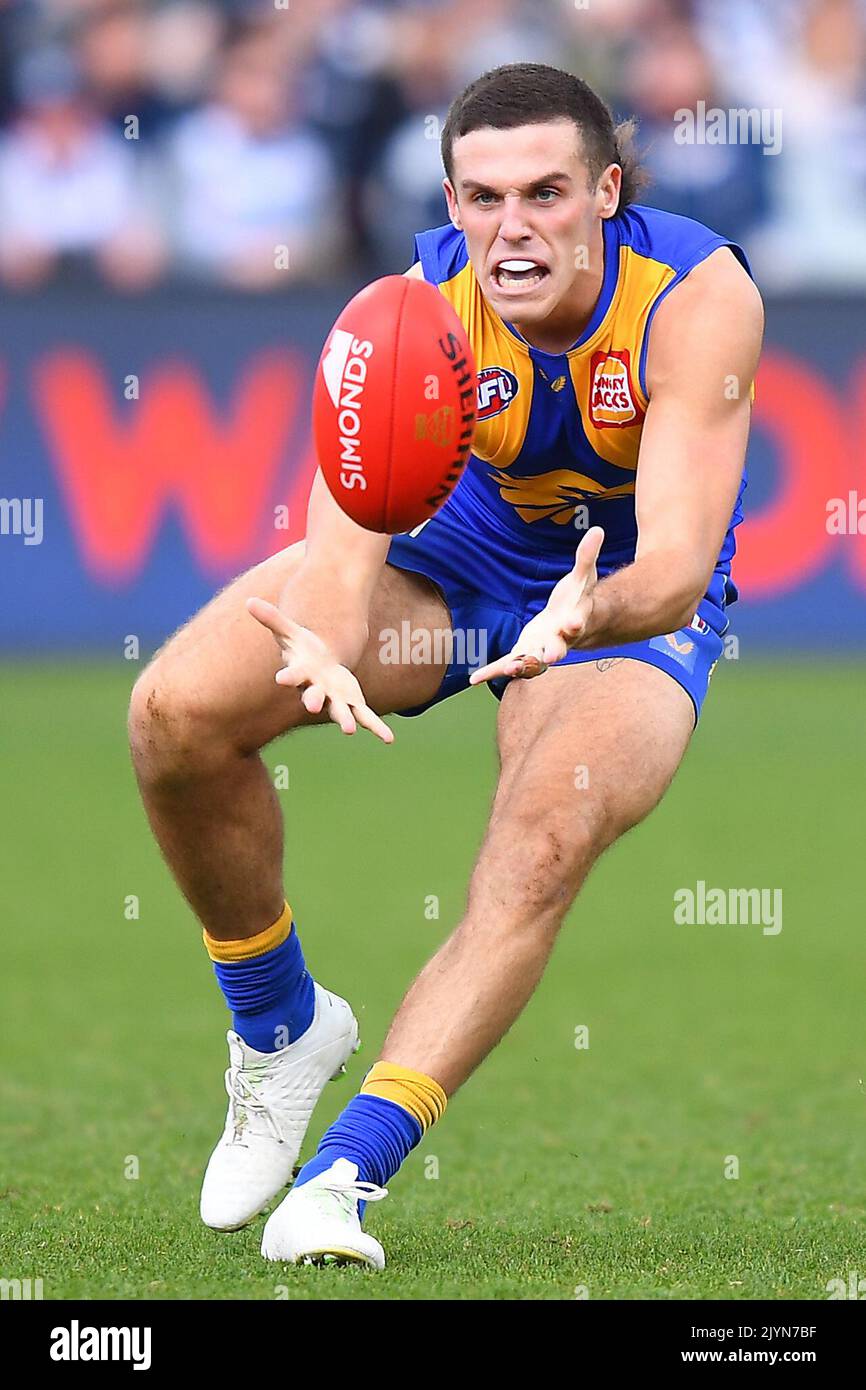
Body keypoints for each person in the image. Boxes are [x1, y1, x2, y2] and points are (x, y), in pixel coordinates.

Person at [128, 62, 763, 1270]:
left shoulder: (695, 296)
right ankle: (278, 1027)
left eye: (543, 194)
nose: (510, 229)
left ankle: (341, 1176)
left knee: (539, 843)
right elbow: (346, 519)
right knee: (175, 715)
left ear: (605, 192)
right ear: (449, 199)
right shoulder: (405, 305)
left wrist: (582, 618)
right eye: (480, 198)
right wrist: (323, 629)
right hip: (457, 563)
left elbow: (677, 565)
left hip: (618, 591)